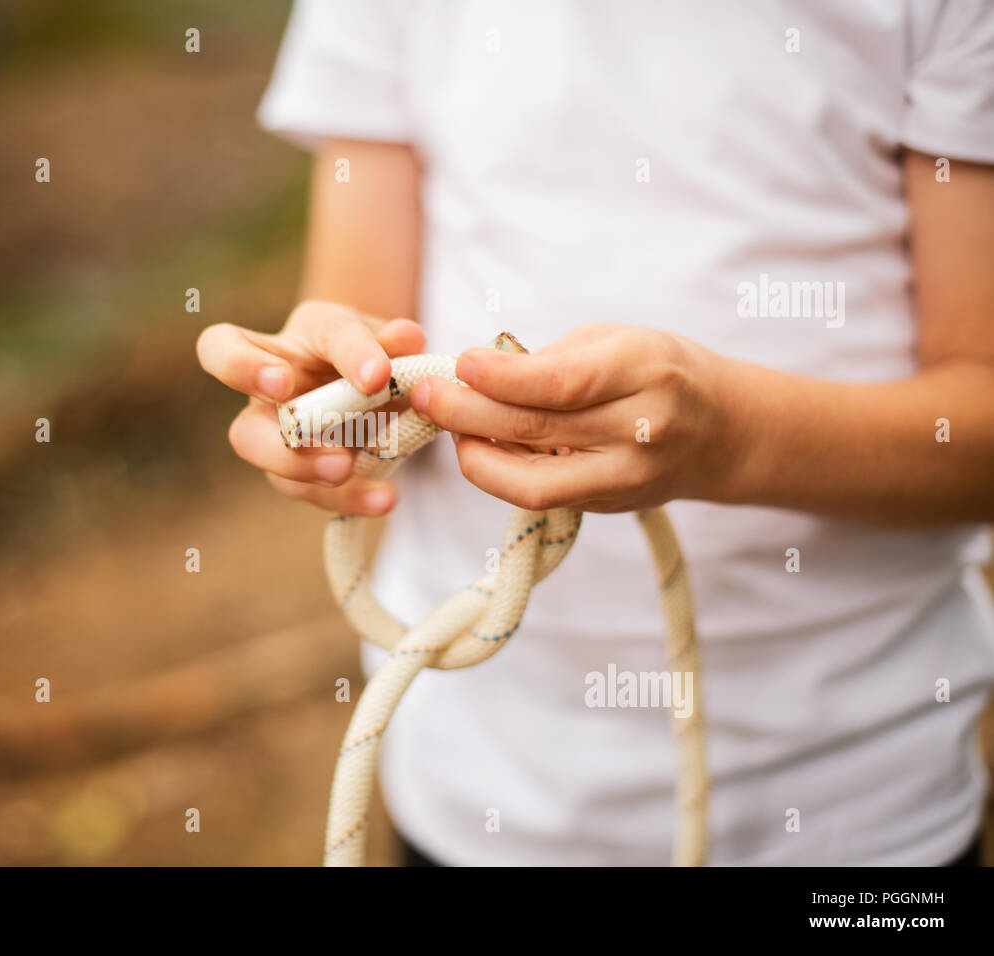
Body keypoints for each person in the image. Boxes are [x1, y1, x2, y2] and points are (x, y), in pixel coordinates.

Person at [196, 0, 994, 865]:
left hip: (861, 815)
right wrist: (328, 413)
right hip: (482, 791)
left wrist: (732, 439)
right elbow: (360, 324)